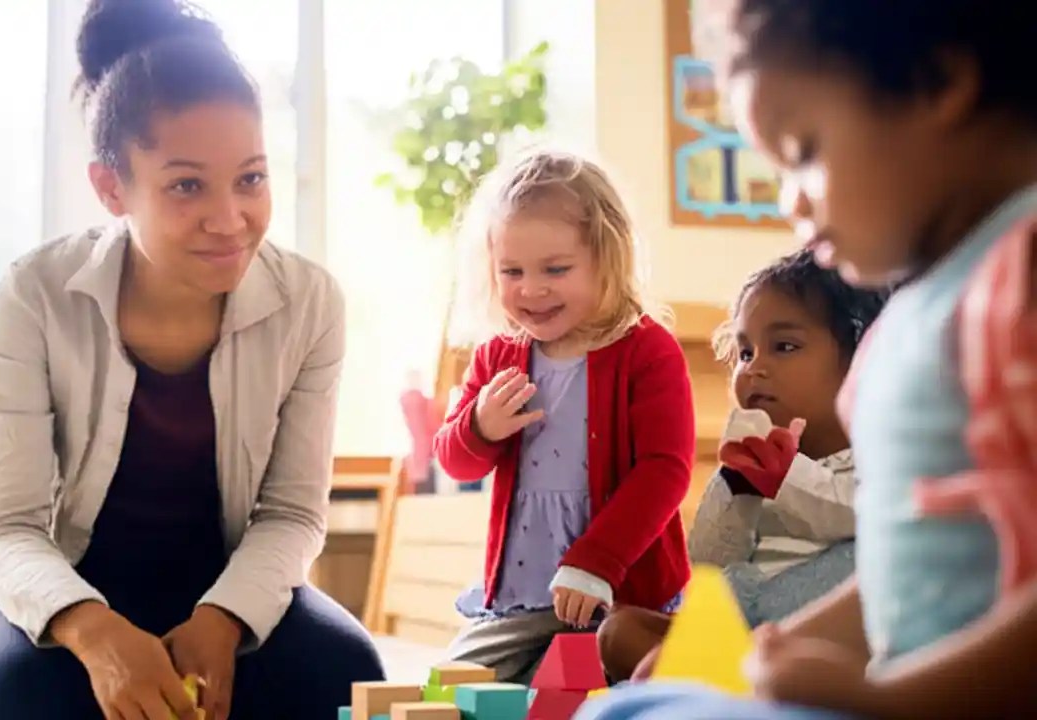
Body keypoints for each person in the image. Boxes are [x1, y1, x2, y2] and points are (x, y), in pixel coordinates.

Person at [578, 0, 1037, 717]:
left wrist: (893, 701)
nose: (789, 201)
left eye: (805, 152)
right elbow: (899, 571)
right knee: (635, 706)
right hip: (896, 686)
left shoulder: (1021, 272)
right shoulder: (914, 314)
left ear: (938, 85)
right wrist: (748, 662)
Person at [0, 2, 383, 718]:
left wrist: (225, 619)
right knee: (33, 694)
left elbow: (293, 513)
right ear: (111, 188)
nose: (230, 218)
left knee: (344, 669)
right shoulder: (35, 294)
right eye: (186, 185)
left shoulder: (310, 302)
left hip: (229, 588)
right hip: (65, 597)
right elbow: (7, 530)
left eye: (251, 178)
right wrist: (93, 631)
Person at [433, 149, 695, 684]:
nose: (531, 289)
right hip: (519, 598)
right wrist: (478, 427)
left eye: (556, 269)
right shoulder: (497, 355)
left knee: (579, 691)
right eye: (512, 271)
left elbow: (665, 470)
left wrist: (597, 562)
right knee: (447, 689)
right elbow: (454, 461)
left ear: (607, 256)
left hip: (620, 596)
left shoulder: (647, 350)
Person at [598, 250, 887, 683]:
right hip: (745, 622)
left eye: (784, 347)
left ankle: (727, 683)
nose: (755, 369)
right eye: (745, 353)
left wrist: (786, 477)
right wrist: (736, 489)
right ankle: (732, 680)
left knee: (863, 562)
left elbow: (851, 514)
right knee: (620, 631)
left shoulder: (878, 453)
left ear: (861, 357)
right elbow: (710, 561)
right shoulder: (757, 457)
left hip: (819, 628)